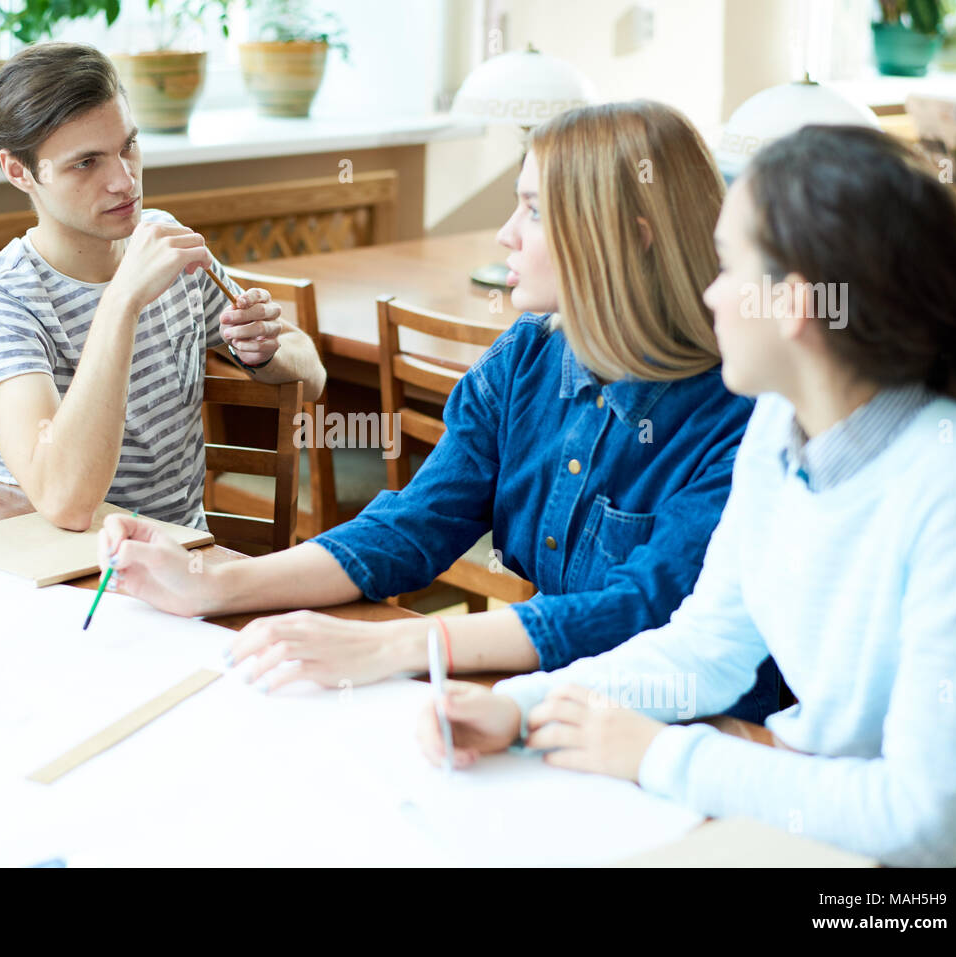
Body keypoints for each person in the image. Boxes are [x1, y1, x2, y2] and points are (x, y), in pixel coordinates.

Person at [417, 124, 956, 867]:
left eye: (727, 266)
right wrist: (526, 706)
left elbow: (925, 822)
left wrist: (658, 753)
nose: (709, 292)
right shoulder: (781, 423)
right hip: (807, 807)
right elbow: (708, 646)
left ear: (794, 304)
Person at [97, 100, 779, 723]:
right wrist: (213, 583)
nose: (506, 234)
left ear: (629, 239)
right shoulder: (526, 357)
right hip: (547, 702)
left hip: (705, 731)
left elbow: (635, 614)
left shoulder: (741, 415)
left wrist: (397, 644)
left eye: (535, 211)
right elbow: (413, 525)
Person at [0, 43, 325, 531]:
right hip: (53, 580)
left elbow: (312, 378)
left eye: (128, 146)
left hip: (180, 564)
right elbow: (66, 502)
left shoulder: (162, 239)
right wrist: (122, 300)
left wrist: (267, 350)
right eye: (86, 163)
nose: (125, 181)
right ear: (19, 171)